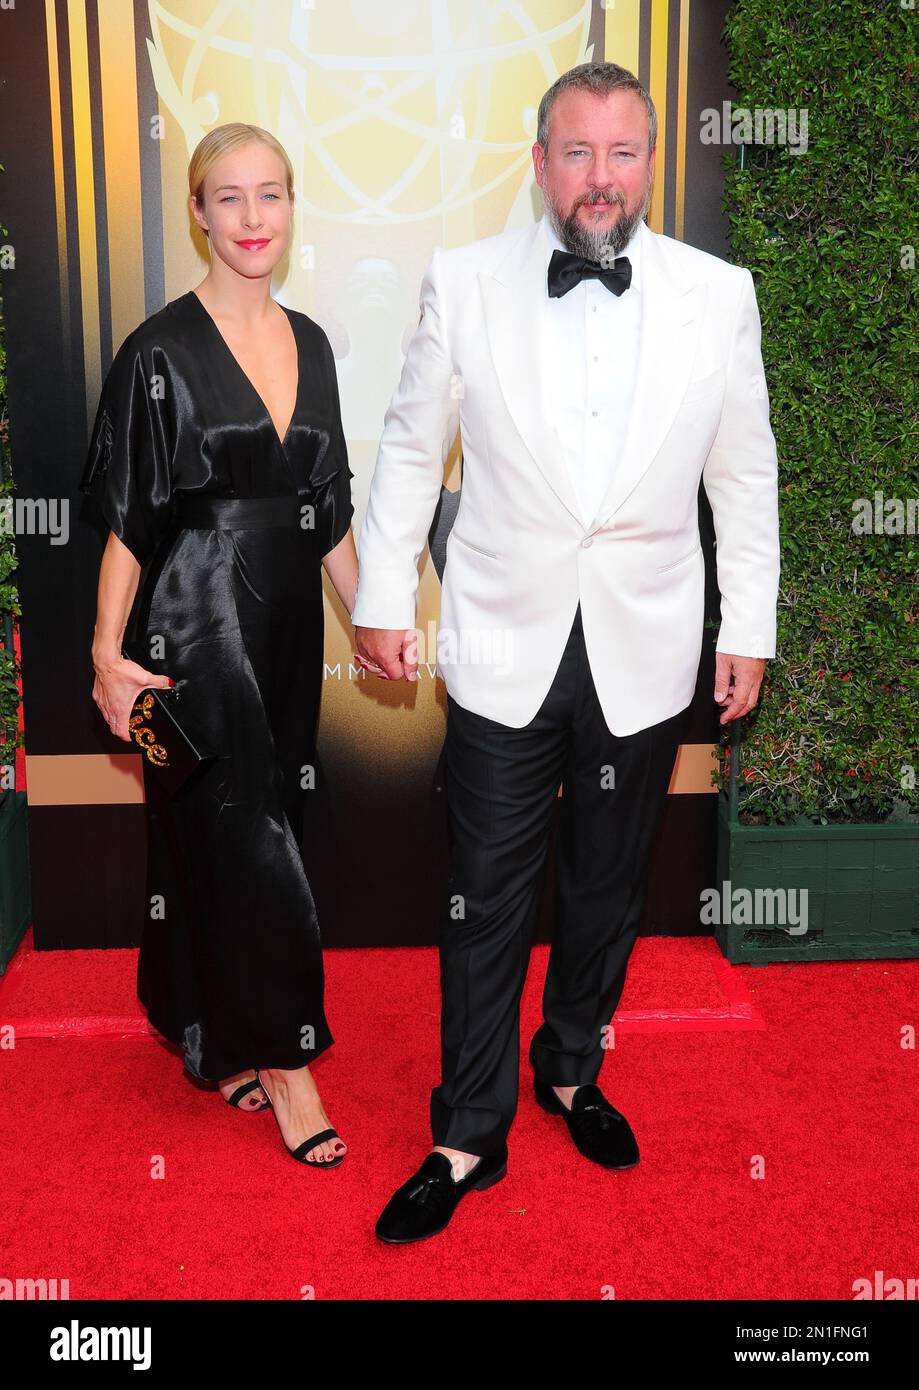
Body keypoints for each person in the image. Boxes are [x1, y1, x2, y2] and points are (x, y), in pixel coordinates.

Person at [352, 62, 780, 1242]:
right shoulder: (464, 280)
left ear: (652, 161)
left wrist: (746, 625)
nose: (601, 177)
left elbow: (743, 473)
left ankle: (572, 1066)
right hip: (502, 636)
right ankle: (465, 1130)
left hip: (647, 638)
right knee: (484, 889)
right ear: (539, 161)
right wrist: (382, 594)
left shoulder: (717, 294)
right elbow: (408, 448)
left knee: (606, 881)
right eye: (577, 152)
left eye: (622, 152)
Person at [80, 123, 357, 1168]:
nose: (251, 218)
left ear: (290, 208)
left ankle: (210, 1029)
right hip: (195, 618)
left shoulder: (313, 343)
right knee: (249, 833)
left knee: (243, 827)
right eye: (228, 197)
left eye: (270, 195)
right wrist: (107, 655)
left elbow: (328, 507)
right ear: (197, 212)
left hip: (287, 621)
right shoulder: (157, 351)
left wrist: (375, 620)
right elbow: (127, 518)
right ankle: (287, 1060)